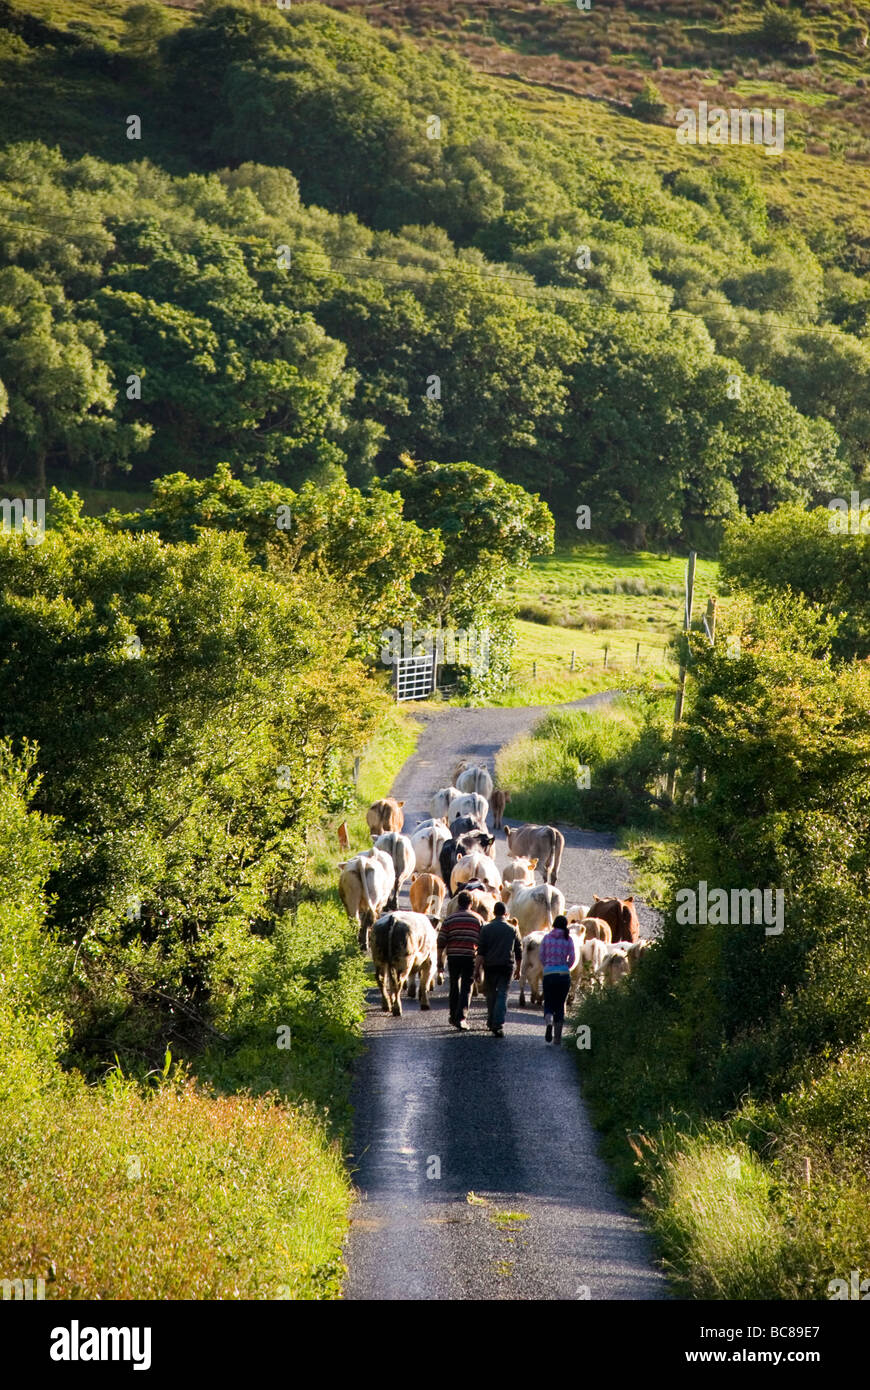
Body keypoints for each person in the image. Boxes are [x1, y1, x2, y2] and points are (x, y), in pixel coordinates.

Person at [474, 901, 521, 1038]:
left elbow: (481, 951)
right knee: (502, 994)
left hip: (490, 966)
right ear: (506, 914)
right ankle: (498, 1024)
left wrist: (476, 969)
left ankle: (490, 1020)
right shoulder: (513, 929)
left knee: (490, 994)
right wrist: (518, 969)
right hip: (506, 966)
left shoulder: (486, 928)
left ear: (493, 913)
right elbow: (519, 951)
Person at [437, 890, 482, 1030]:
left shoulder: (449, 919)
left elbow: (441, 941)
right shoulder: (478, 919)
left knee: (454, 985)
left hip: (453, 956)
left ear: (458, 903)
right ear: (471, 903)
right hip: (470, 957)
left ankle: (452, 1015)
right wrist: (480, 965)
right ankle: (461, 1017)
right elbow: (483, 942)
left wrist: (439, 960)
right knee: (467, 987)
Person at [539, 915, 577, 1046]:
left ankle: (549, 1021)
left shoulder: (546, 938)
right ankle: (557, 1038)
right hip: (563, 974)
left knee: (549, 1002)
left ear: (554, 924)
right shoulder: (568, 939)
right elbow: (572, 958)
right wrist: (566, 966)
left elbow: (541, 956)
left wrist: (548, 966)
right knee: (560, 1004)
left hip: (549, 973)